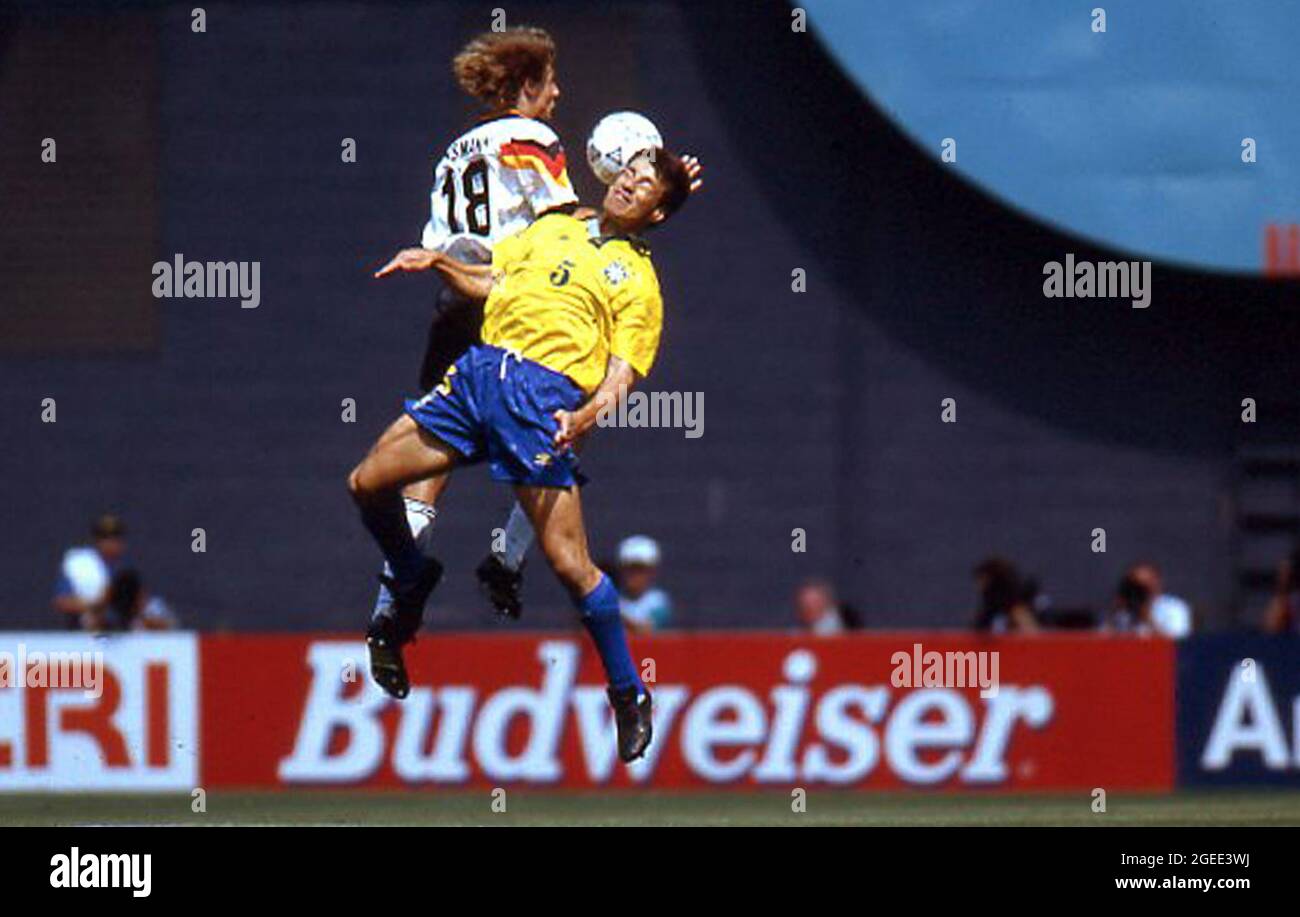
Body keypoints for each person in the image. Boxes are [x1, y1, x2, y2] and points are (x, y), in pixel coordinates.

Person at [350, 149, 693, 763]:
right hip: (478, 376)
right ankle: (411, 574)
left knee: (570, 566)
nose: (628, 185)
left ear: (657, 212)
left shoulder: (638, 280)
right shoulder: (555, 225)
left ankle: (627, 692)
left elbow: (620, 377)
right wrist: (437, 262)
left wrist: (585, 416)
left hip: (541, 402)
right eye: (629, 174)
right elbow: (491, 282)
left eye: (644, 186)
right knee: (366, 483)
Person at [379, 26, 577, 623]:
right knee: (570, 422)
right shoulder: (533, 137)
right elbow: (559, 226)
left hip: (455, 311)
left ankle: (391, 603)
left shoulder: (451, 156)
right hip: (516, 318)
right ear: (525, 86)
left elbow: (445, 250)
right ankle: (507, 556)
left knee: (429, 460)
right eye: (549, 82)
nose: (558, 93)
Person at [52, 514, 129, 631]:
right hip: (81, 638)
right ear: (96, 541)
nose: (110, 543)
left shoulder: (123, 571)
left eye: (115, 538)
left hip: (119, 636)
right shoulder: (79, 565)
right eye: (105, 538)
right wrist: (96, 605)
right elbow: (62, 601)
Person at [616, 535, 672, 633]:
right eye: (629, 568)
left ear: (651, 572)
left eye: (639, 569)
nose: (633, 574)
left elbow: (645, 630)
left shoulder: (658, 601)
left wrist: (612, 612)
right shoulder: (615, 600)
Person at [972, 556, 1039, 633]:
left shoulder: (1020, 609)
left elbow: (1033, 634)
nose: (979, 587)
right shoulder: (989, 614)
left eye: (984, 581)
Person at [1126, 561, 1192, 638]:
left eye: (1144, 584)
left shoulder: (1175, 608)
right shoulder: (1127, 611)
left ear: (1156, 582)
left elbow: (1179, 641)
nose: (1139, 590)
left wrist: (1148, 619)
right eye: (1135, 584)